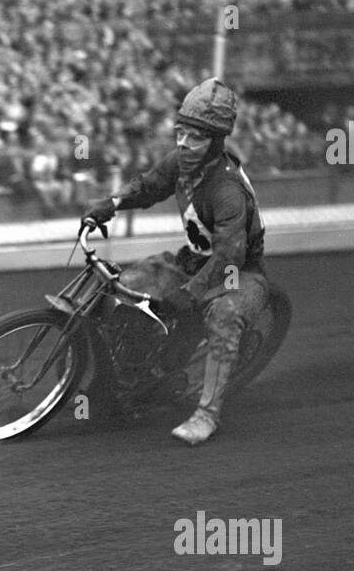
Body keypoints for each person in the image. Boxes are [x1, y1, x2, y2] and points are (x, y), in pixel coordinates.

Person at [81, 77, 268, 446]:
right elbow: (149, 186)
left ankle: (207, 415)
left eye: (195, 137)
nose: (183, 142)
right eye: (180, 132)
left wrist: (193, 292)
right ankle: (126, 378)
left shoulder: (228, 190)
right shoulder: (182, 161)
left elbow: (229, 256)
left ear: (216, 142)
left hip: (238, 273)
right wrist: (111, 204)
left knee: (223, 317)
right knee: (126, 287)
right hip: (193, 260)